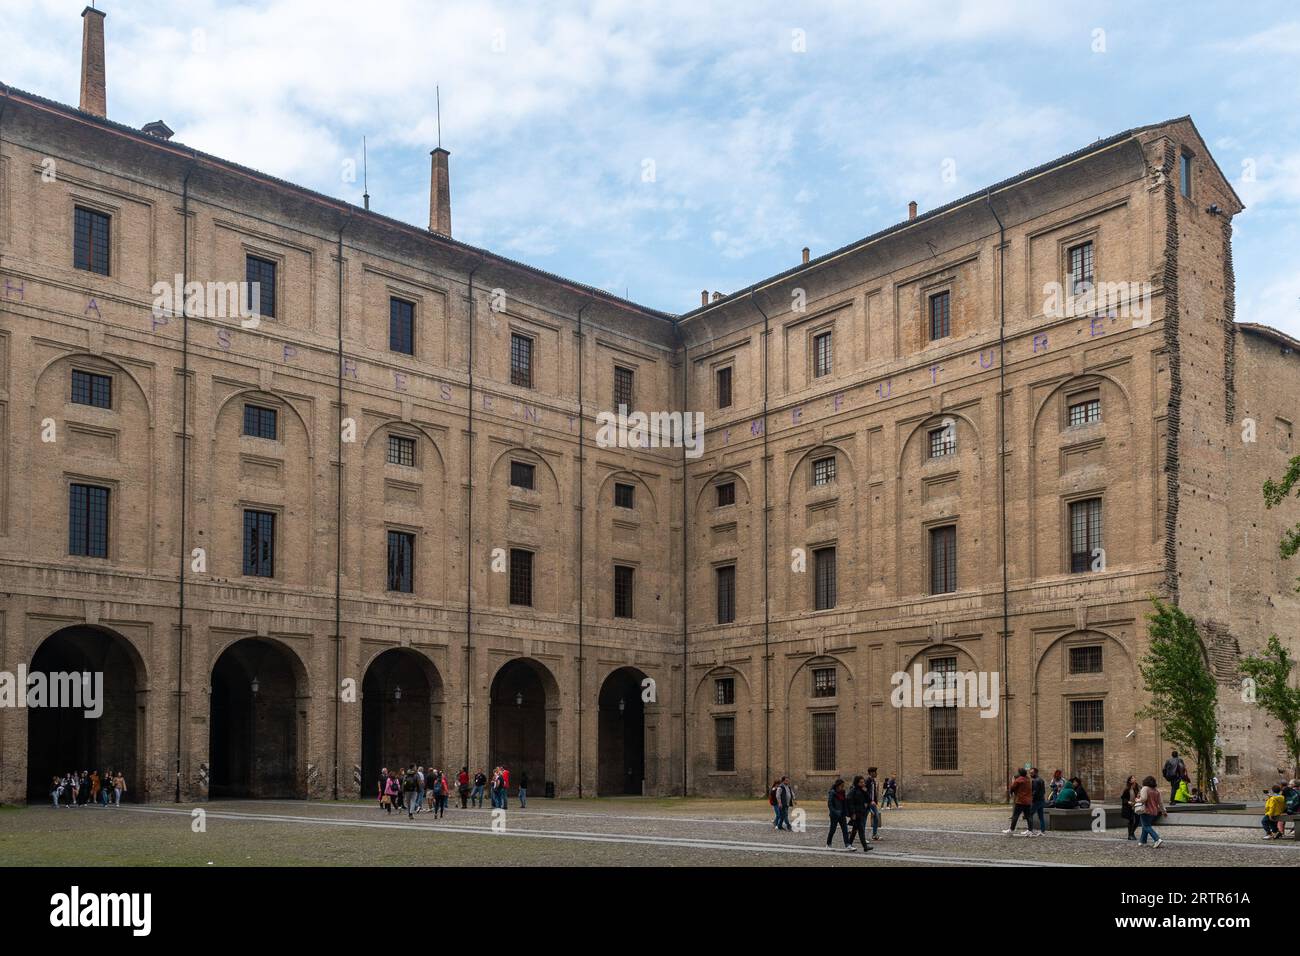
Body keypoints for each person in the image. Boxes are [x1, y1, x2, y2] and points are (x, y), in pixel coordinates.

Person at [844, 776, 874, 852]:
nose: (863, 783)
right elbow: (849, 802)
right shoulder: (853, 791)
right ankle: (865, 846)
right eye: (861, 782)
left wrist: (865, 791)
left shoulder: (862, 790)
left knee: (855, 829)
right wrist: (852, 813)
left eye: (863, 782)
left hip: (861, 812)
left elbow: (868, 799)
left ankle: (849, 843)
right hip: (856, 813)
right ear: (857, 783)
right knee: (860, 829)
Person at [1004, 768, 1034, 835]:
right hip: (1028, 801)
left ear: (1020, 773)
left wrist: (1011, 793)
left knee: (1015, 816)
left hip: (1020, 801)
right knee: (1028, 816)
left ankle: (1012, 829)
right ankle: (1030, 830)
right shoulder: (1028, 779)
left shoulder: (1019, 779)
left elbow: (1012, 787)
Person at [1136, 775, 1164, 847]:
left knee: (1146, 826)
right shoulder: (1156, 791)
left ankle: (1157, 839)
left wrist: (1137, 800)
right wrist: (1164, 811)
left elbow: (1144, 799)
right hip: (1154, 812)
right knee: (1145, 825)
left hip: (1146, 810)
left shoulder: (1145, 788)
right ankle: (1142, 841)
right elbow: (1160, 803)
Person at [825, 778, 851, 850]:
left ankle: (847, 845)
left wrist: (846, 812)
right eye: (841, 786)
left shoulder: (843, 792)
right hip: (834, 815)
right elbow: (830, 804)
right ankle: (828, 844)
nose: (842, 787)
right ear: (837, 786)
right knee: (832, 830)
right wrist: (835, 811)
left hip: (842, 814)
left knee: (845, 830)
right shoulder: (832, 793)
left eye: (843, 786)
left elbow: (844, 803)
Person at [1120, 775, 1140, 841]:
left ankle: (1132, 833)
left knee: (1137, 821)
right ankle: (1130, 835)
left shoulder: (1138, 787)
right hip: (1129, 807)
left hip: (1136, 806)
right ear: (1129, 780)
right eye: (1132, 778)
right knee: (1131, 821)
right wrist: (1128, 802)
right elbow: (1123, 798)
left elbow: (1141, 793)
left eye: (1134, 777)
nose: (1134, 779)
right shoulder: (1127, 789)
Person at [864, 767, 882, 841]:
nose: (876, 773)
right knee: (864, 819)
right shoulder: (867, 781)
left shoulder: (873, 781)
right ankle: (861, 835)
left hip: (873, 803)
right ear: (871, 773)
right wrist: (870, 801)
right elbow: (866, 792)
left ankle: (874, 834)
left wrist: (875, 801)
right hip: (868, 803)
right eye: (875, 772)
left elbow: (873, 792)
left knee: (876, 817)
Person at [1029, 767, 1047, 834]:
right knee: (1041, 816)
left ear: (1036, 773)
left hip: (1036, 801)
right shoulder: (1041, 780)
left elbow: (1035, 792)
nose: (1030, 774)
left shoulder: (1035, 781)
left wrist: (1032, 799)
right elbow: (1044, 791)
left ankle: (1030, 830)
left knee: (1029, 814)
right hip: (1041, 800)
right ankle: (1043, 831)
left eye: (1032, 773)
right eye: (1030, 773)